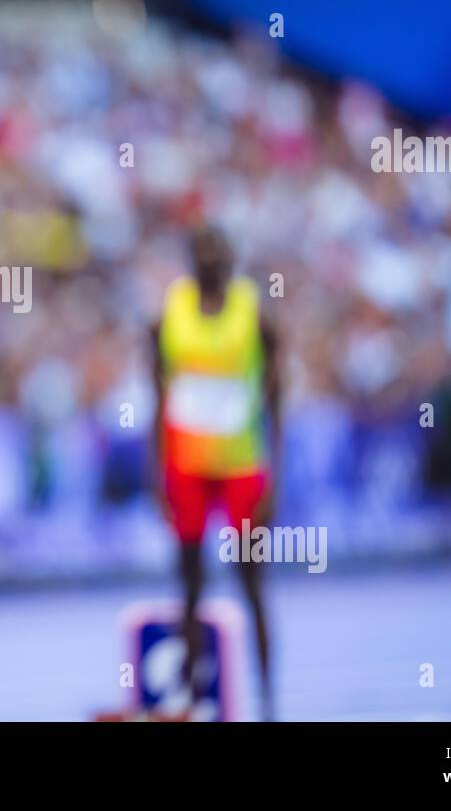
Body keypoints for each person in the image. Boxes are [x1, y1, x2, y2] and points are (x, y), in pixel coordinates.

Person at [151, 225, 282, 720]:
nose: (210, 262)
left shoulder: (254, 313)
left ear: (231, 261)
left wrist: (276, 474)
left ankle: (269, 700)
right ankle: (190, 698)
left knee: (251, 584)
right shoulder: (170, 311)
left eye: (219, 254)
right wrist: (154, 469)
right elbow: (157, 395)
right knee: (189, 587)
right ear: (191, 261)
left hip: (242, 466)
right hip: (185, 466)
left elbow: (278, 398)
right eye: (202, 254)